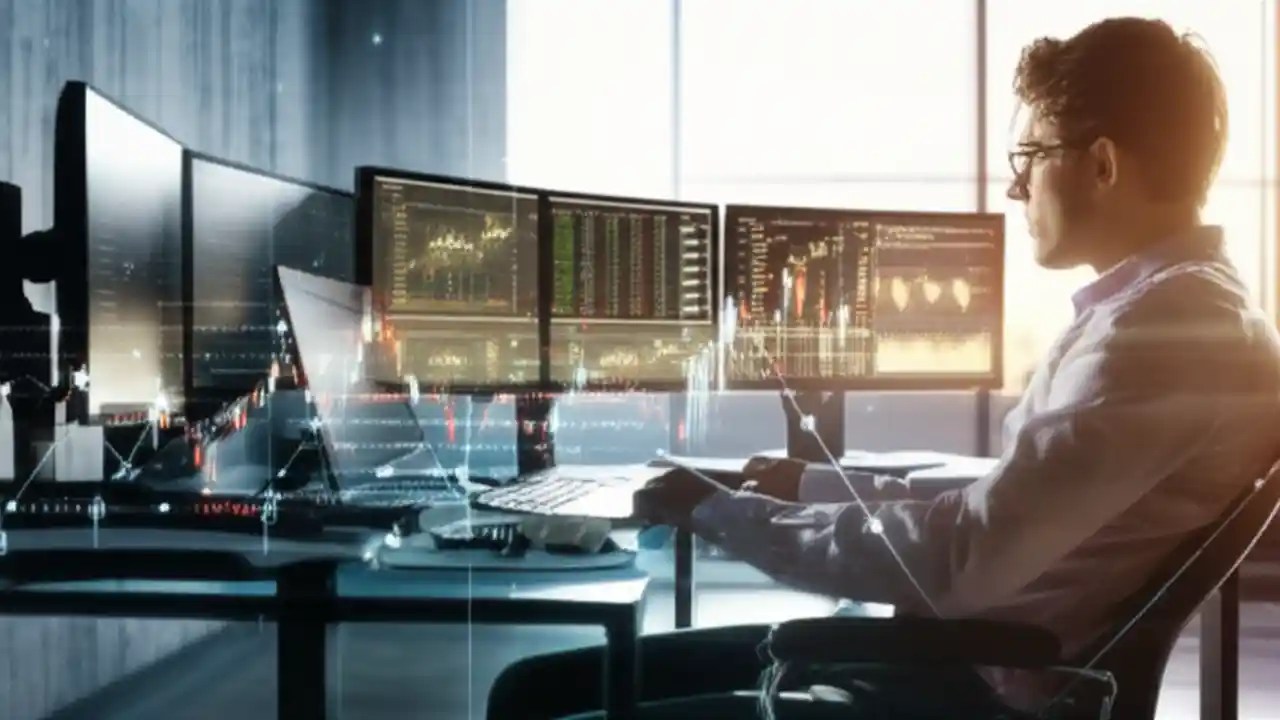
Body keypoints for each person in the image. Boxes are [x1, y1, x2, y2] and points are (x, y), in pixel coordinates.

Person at [487, 16, 1280, 720]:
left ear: (1102, 165)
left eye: (1031, 155)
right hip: (954, 660)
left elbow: (962, 557)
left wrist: (715, 512)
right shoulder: (1175, 313)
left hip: (955, 685)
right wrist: (805, 484)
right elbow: (999, 508)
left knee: (531, 695)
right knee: (549, 685)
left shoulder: (1167, 335)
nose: (1014, 185)